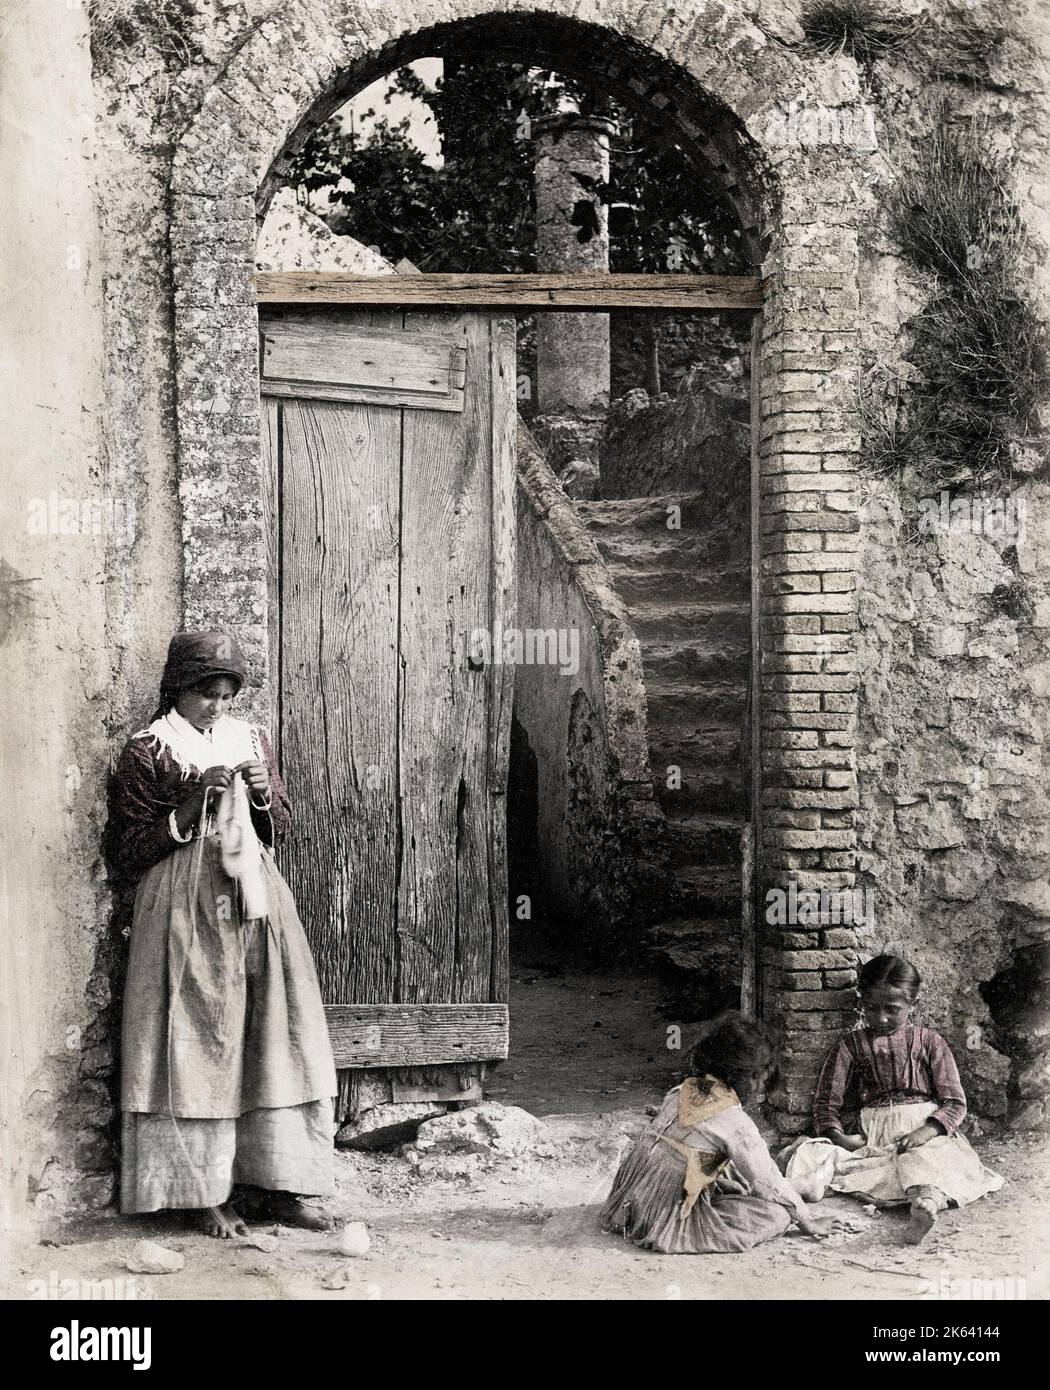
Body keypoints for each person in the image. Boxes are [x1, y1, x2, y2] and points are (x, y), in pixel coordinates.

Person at [111, 630, 338, 1238]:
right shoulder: (148, 751)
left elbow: (281, 827)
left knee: (272, 1030)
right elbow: (128, 850)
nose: (216, 705)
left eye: (225, 694)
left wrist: (263, 798)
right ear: (176, 690)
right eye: (204, 693)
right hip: (182, 908)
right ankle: (202, 1191)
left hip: (254, 902)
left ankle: (276, 1183)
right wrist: (191, 805)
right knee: (198, 1036)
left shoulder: (251, 739)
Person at [782, 954, 1003, 1244]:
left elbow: (954, 1102)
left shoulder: (930, 1042)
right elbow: (826, 1103)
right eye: (872, 1008)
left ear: (913, 1004)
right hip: (874, 1132)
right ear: (862, 1003)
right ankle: (816, 1183)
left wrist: (928, 1131)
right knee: (813, 1152)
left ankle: (925, 1204)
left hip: (922, 1128)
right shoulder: (850, 1046)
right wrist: (839, 1137)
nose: (881, 1018)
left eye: (892, 1009)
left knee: (930, 1157)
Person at [601, 1013, 848, 1253]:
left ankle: (801, 1186)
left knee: (729, 1168)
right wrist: (808, 1221)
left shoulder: (684, 1089)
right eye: (760, 1080)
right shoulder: (736, 1123)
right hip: (663, 1214)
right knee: (779, 1214)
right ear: (746, 1075)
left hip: (631, 1200)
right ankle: (800, 1188)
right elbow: (766, 1179)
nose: (760, 1089)